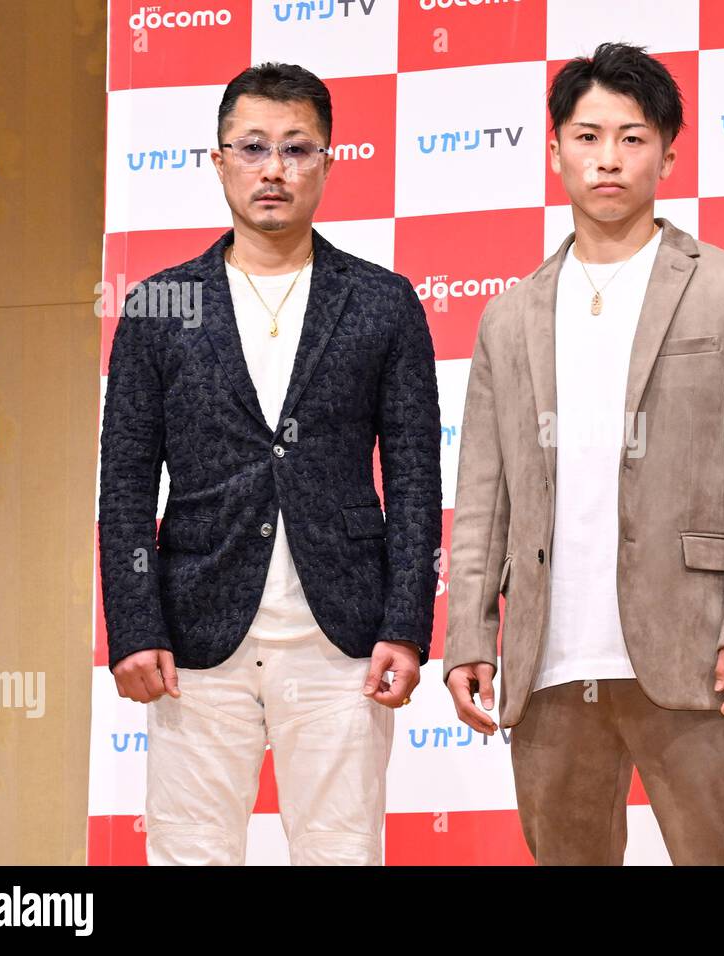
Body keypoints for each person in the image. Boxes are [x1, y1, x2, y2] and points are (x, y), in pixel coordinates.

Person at [443, 41, 724, 865]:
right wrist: (468, 632)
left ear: (669, 154)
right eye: (588, 135)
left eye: (633, 138)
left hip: (694, 650)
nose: (609, 158)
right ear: (555, 148)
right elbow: (482, 494)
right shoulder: (509, 314)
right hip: (548, 657)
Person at [98, 62, 441, 865]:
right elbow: (124, 486)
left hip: (343, 637)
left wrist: (406, 625)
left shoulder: (383, 301)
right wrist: (134, 626)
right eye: (252, 148)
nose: (274, 170)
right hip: (194, 635)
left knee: (340, 851)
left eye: (297, 148)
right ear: (218, 161)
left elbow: (417, 476)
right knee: (190, 852)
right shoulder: (157, 306)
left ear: (328, 160)